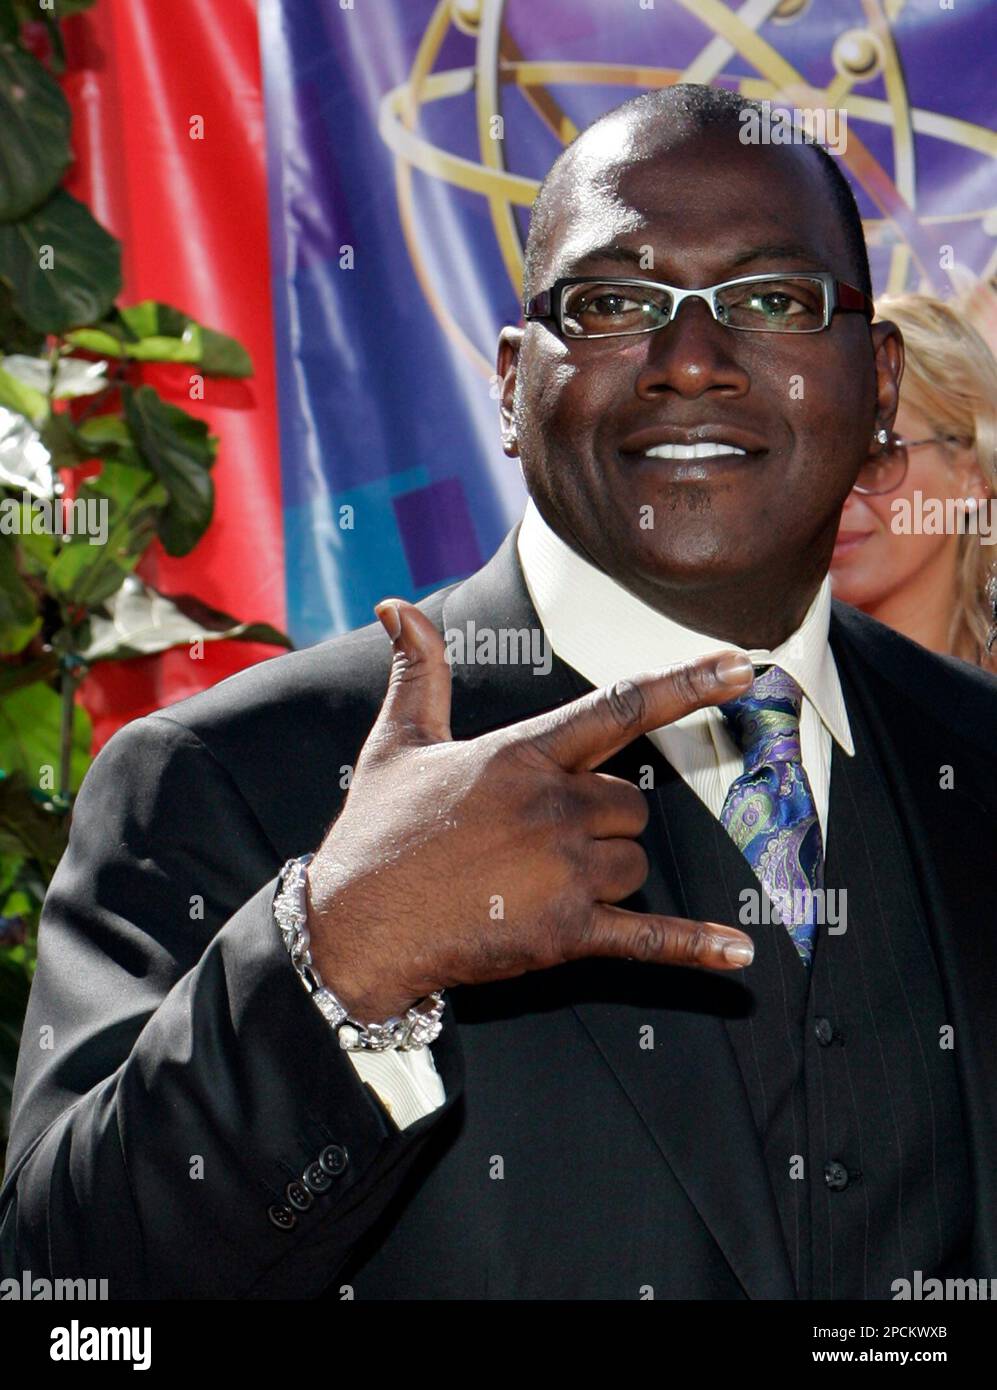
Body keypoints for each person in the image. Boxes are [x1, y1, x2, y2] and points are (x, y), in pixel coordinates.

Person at [2, 85, 996, 1302]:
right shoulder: (222, 776)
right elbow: (66, 1303)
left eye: (772, 301)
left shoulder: (974, 754)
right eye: (615, 302)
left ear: (879, 382)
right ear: (514, 382)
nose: (691, 360)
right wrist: (335, 959)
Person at [830, 293, 997, 670]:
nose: (835, 491)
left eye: (877, 453)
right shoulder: (752, 694)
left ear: (972, 473)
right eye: (817, 456)